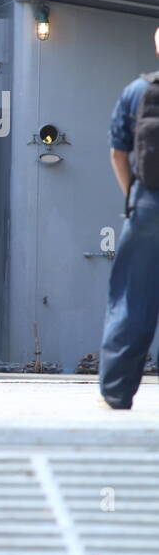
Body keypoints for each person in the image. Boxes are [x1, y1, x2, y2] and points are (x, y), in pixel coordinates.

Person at [99, 27, 159, 410]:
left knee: (132, 300)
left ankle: (117, 393)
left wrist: (133, 198)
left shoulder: (138, 92)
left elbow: (118, 154)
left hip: (148, 205)